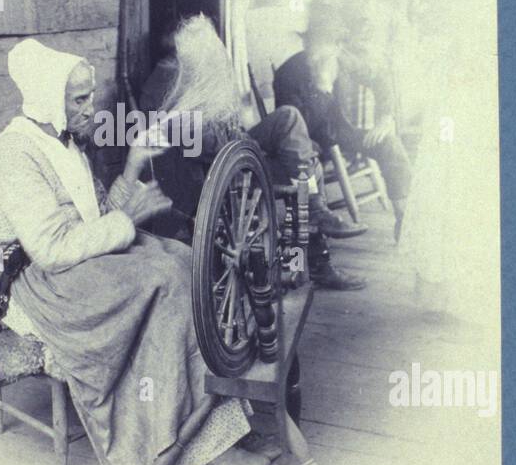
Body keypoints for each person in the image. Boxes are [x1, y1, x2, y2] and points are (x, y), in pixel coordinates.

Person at [0, 36, 277, 465]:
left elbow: (96, 215)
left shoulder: (64, 145)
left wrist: (131, 166)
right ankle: (173, 448)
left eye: (90, 95)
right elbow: (52, 246)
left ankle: (217, 429)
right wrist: (128, 220)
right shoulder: (15, 157)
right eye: (80, 99)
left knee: (186, 261)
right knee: (163, 282)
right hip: (22, 280)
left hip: (68, 261)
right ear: (50, 100)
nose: (92, 108)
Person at [139, 16, 367, 291]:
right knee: (302, 163)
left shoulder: (188, 74)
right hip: (221, 170)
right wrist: (226, 127)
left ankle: (310, 251)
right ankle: (309, 260)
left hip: (233, 153)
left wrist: (231, 126)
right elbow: (193, 141)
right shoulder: (167, 80)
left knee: (298, 146)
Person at [273, 33, 412, 241]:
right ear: (306, 43)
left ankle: (404, 218)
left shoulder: (342, 61)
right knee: (306, 164)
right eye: (313, 44)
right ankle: (316, 239)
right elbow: (296, 130)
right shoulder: (288, 73)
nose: (320, 53)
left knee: (389, 144)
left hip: (340, 130)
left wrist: (385, 117)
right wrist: (322, 89)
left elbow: (381, 75)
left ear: (336, 46)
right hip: (308, 141)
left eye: (329, 46)